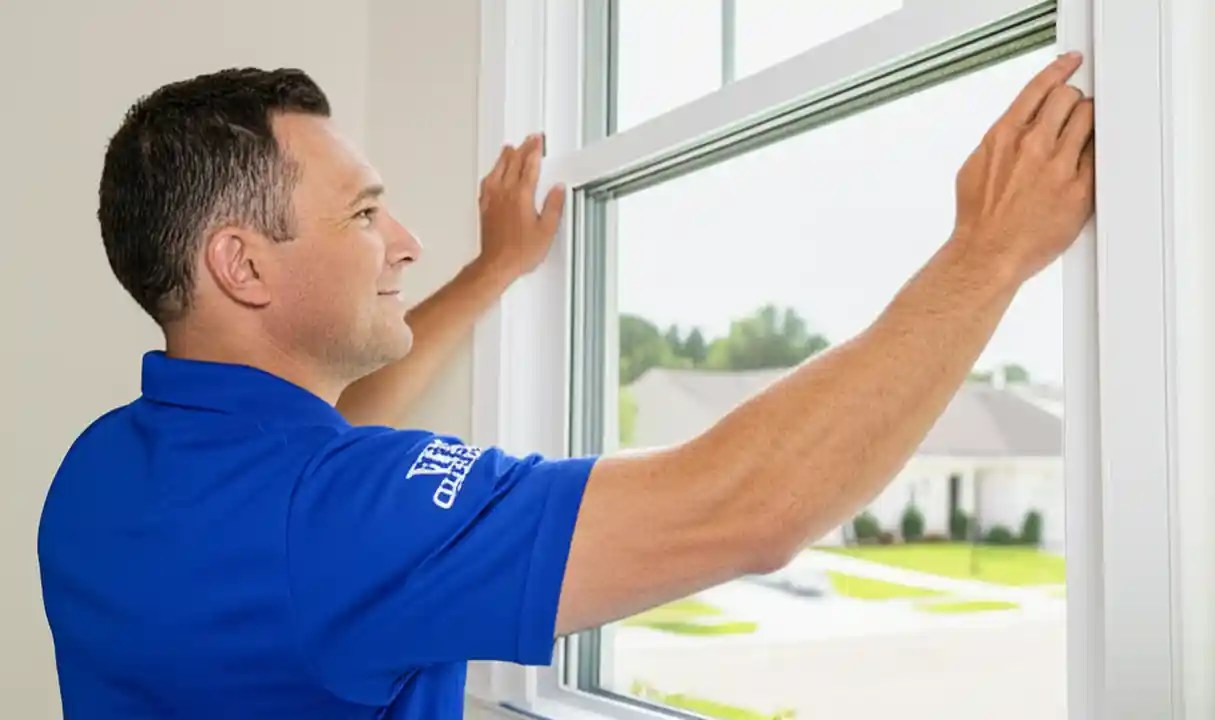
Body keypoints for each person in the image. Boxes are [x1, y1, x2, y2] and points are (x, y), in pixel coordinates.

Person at [38, 52, 1095, 719]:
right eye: (363, 214)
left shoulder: (100, 473)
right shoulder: (333, 518)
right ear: (244, 264)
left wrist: (493, 272)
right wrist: (986, 254)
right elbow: (742, 506)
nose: (403, 241)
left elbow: (315, 456)